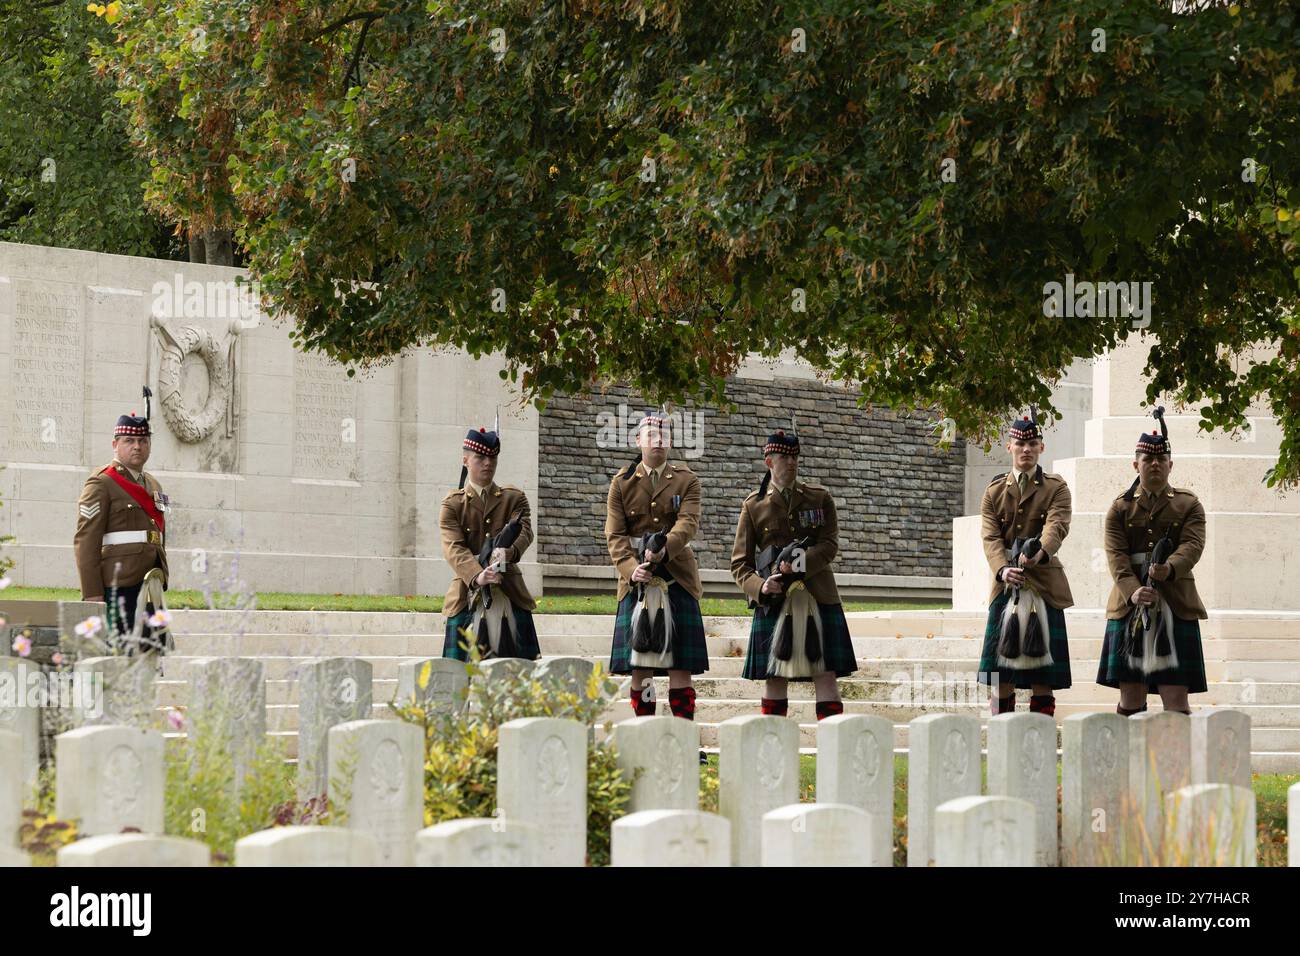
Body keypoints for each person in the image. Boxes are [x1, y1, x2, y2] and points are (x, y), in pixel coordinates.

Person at [730, 427, 855, 720]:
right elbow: (739, 564)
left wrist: (797, 564)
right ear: (769, 461)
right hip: (775, 601)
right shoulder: (753, 505)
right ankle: (772, 748)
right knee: (774, 676)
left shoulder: (819, 498)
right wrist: (761, 587)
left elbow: (829, 545)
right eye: (784, 457)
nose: (791, 463)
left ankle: (834, 748)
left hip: (818, 596)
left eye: (795, 456)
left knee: (825, 674)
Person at [1097, 407, 1207, 715]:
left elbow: (1193, 545)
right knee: (1130, 696)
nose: (1155, 464)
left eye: (1160, 459)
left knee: (1176, 697)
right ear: (1136, 464)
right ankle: (1128, 763)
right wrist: (1133, 590)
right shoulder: (1119, 508)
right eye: (1148, 459)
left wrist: (1169, 568)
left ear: (1170, 464)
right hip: (1129, 605)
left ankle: (1176, 764)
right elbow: (1116, 555)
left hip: (1176, 601)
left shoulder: (1189, 504)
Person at [605, 411, 708, 720]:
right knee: (642, 664)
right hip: (636, 579)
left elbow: (688, 523)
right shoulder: (621, 483)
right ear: (639, 441)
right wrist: (629, 567)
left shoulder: (686, 479)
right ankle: (645, 730)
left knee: (680, 665)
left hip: (677, 575)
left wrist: (665, 549)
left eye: (664, 435)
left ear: (672, 441)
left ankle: (684, 733)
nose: (659, 440)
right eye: (651, 434)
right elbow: (614, 532)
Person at [977, 412, 1074, 715]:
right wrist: (1002, 569)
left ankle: (1039, 739)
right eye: (1020, 444)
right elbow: (990, 537)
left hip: (1044, 584)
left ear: (1041, 448)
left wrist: (1039, 553)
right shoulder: (993, 491)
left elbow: (1057, 526)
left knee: (1043, 676)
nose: (1026, 449)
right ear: (1009, 447)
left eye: (1032, 443)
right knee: (1000, 677)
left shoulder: (1056, 487)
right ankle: (1000, 737)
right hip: (1005, 584)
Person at [73, 393, 171, 653]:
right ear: (115, 444)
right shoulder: (101, 483)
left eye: (142, 440)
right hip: (117, 586)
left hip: (150, 585)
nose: (137, 446)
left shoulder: (153, 484)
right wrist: (93, 595)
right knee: (121, 657)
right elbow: (86, 541)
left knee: (152, 654)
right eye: (129, 440)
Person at [439, 425, 540, 661]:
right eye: (480, 457)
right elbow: (453, 547)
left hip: (510, 591)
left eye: (492, 457)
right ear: (466, 460)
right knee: (460, 679)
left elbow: (525, 532)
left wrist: (510, 551)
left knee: (517, 678)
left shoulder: (513, 498)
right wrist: (477, 575)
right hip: (466, 593)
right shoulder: (453, 504)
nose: (488, 463)